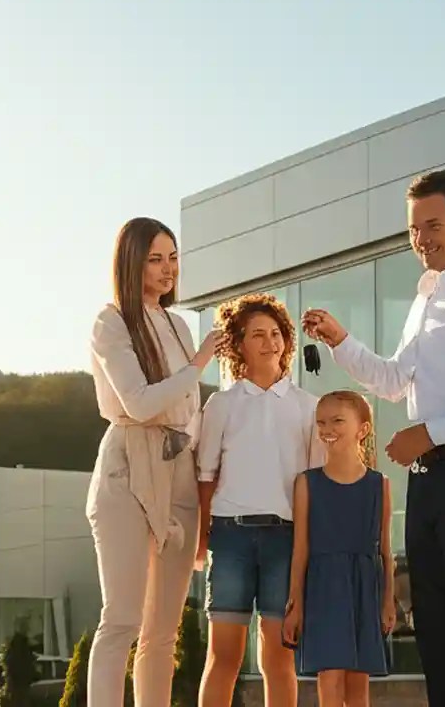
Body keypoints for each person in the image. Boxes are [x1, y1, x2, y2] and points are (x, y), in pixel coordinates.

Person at [301, 169, 445, 707]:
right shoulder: (426, 298)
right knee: (432, 627)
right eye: (412, 229)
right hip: (429, 483)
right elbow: (392, 378)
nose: (421, 238)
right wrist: (341, 340)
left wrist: (426, 433)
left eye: (433, 225)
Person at [87, 217, 227, 707]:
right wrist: (200, 363)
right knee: (122, 617)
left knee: (163, 629)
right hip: (128, 465)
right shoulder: (112, 321)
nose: (169, 269)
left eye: (173, 257)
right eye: (155, 258)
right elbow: (142, 403)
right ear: (132, 262)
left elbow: (187, 407)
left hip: (180, 469)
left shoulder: (178, 322)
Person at [195, 293, 324, 707]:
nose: (269, 342)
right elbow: (204, 478)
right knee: (223, 656)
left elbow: (313, 486)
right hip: (230, 540)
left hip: (285, 541)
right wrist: (201, 541)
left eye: (275, 333)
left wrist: (310, 549)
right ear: (239, 344)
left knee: (278, 658)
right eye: (257, 335)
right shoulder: (221, 404)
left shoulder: (308, 408)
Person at [282, 390, 393, 707]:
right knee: (329, 679)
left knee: (359, 685)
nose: (327, 429)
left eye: (337, 421)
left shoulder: (379, 484)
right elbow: (300, 550)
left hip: (364, 589)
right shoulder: (307, 483)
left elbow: (385, 550)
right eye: (321, 423)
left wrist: (387, 601)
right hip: (323, 590)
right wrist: (295, 605)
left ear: (363, 429)